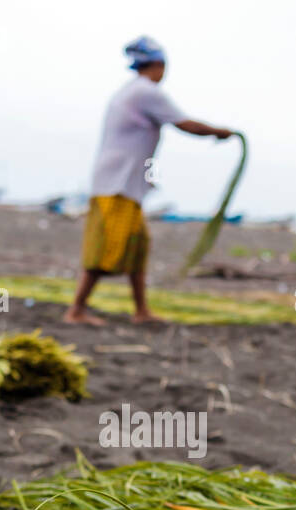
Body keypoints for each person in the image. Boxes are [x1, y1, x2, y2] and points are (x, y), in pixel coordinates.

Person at [64, 36, 233, 325]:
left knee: (138, 245)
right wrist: (220, 132)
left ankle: (141, 311)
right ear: (158, 65)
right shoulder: (145, 92)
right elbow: (184, 123)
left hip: (125, 184)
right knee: (108, 246)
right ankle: (76, 310)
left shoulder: (130, 92)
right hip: (116, 185)